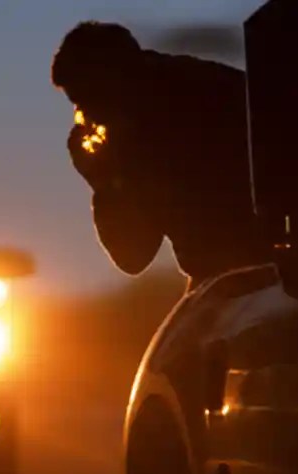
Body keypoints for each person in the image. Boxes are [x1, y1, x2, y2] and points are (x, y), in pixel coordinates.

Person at [48, 21, 265, 474]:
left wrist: (114, 172)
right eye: (79, 105)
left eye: (89, 98)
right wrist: (104, 178)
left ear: (121, 73)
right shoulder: (131, 123)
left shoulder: (206, 97)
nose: (88, 116)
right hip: (218, 291)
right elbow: (135, 252)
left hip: (257, 285)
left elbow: (136, 251)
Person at [55, 21, 267, 293]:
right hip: (259, 266)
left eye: (86, 103)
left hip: (246, 274)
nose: (84, 117)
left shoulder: (153, 126)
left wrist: (104, 178)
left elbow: (133, 256)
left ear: (110, 83)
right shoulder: (199, 85)